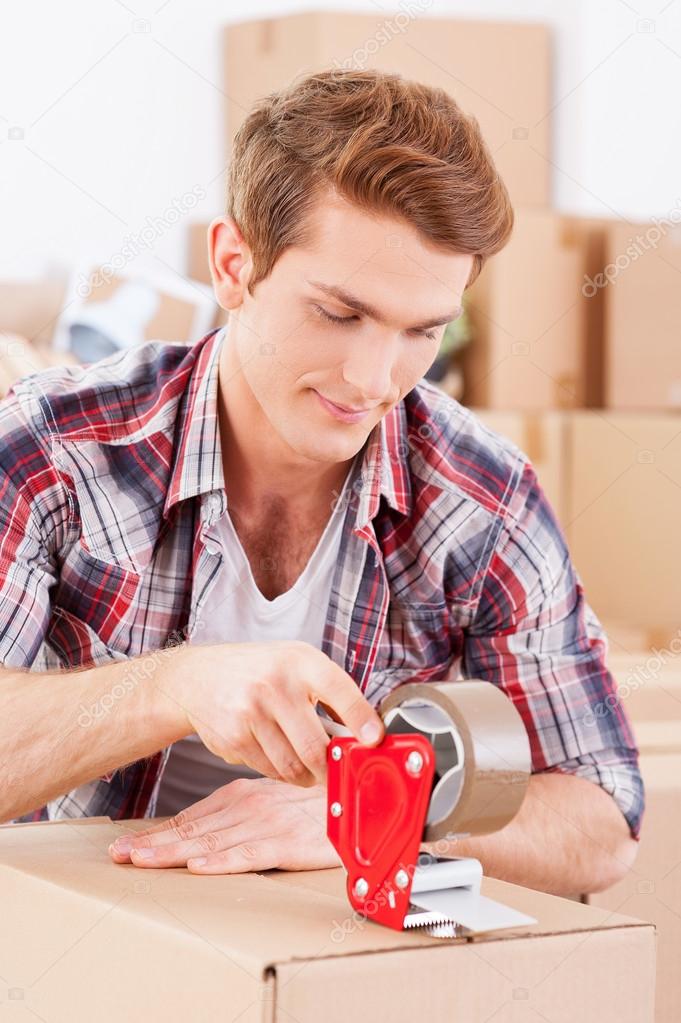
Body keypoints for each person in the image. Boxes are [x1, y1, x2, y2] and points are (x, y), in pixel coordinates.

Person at [0, 69, 642, 896]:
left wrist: (373, 811)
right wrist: (175, 684)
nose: (373, 379)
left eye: (421, 331)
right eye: (339, 314)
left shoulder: (482, 501)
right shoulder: (57, 445)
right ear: (234, 266)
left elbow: (602, 819)